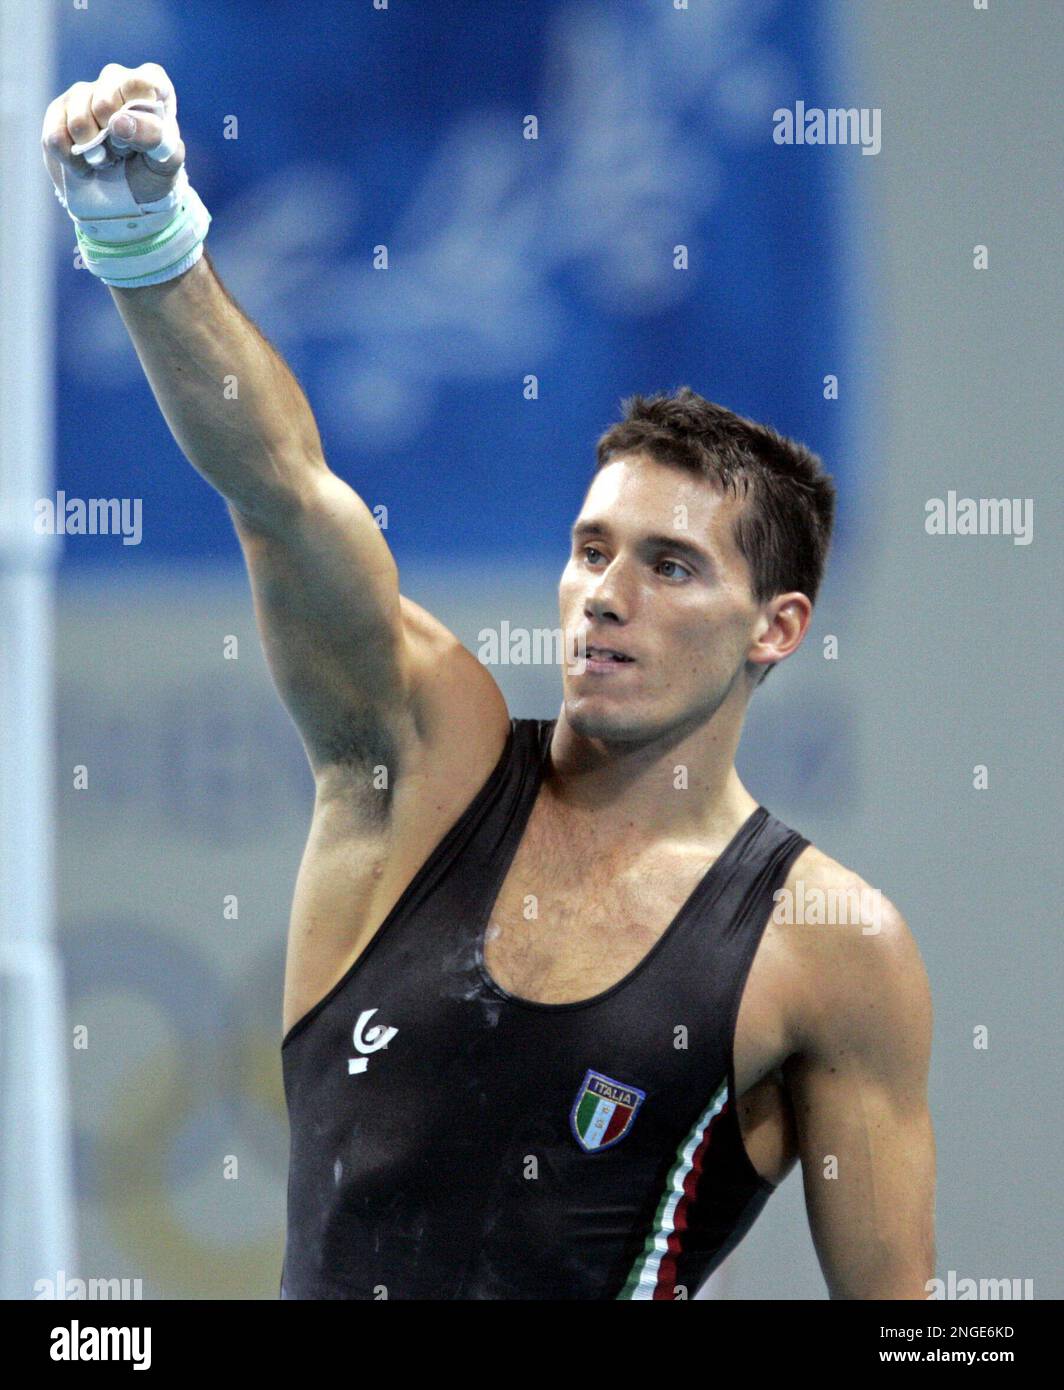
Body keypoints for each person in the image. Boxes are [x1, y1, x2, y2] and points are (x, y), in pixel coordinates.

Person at [43, 63, 935, 1301]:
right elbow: (285, 495)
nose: (607, 594)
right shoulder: (424, 761)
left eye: (670, 566)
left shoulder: (829, 948)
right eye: (589, 552)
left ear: (776, 627)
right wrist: (144, 241)